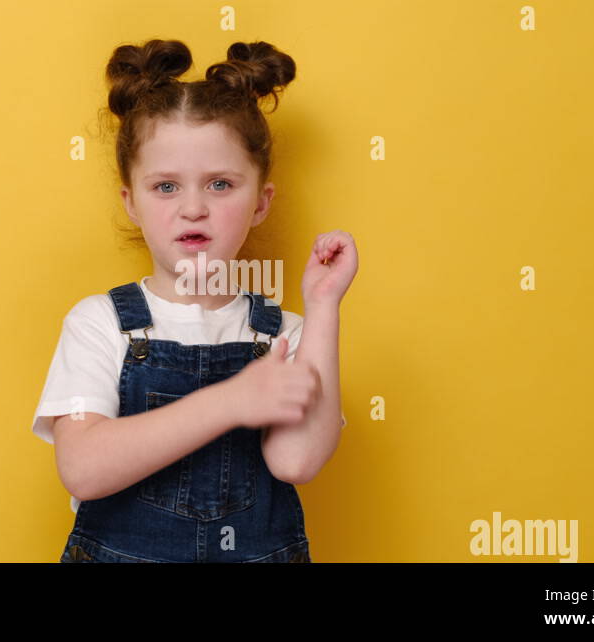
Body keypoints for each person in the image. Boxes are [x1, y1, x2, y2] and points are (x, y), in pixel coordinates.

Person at [32, 39, 358, 562]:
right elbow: (84, 468)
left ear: (260, 202)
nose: (193, 208)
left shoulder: (284, 334)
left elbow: (296, 461)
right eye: (165, 187)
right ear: (130, 201)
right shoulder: (100, 324)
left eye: (221, 184)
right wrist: (232, 401)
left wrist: (322, 308)